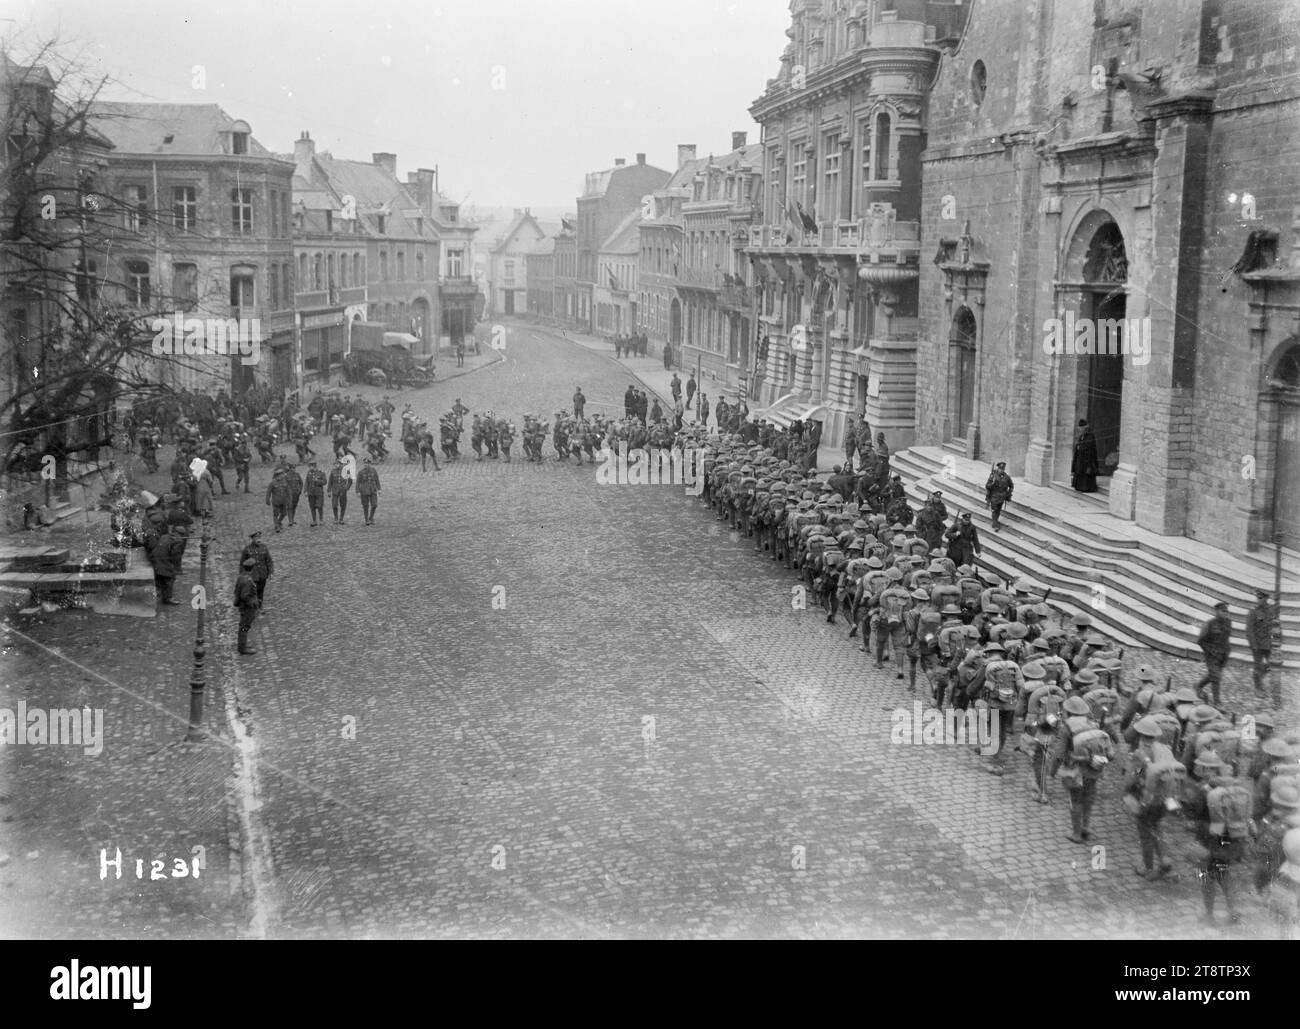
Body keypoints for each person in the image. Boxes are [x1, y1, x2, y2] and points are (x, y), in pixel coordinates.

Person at [1194, 600, 1232, 706]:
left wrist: (1227, 651)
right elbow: (1200, 641)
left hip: (1223, 655)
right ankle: (1217, 702)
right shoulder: (1209, 624)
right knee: (1216, 677)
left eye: (1226, 612)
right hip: (1212, 656)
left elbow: (1226, 637)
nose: (1224, 614)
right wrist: (1211, 651)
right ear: (1216, 612)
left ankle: (1198, 685)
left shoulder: (1228, 622)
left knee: (1214, 675)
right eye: (1222, 611)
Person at [1246, 587, 1276, 698]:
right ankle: (1258, 688)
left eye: (1261, 598)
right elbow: (1249, 631)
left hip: (1268, 644)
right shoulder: (1253, 611)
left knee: (1271, 664)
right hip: (1257, 645)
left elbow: (1274, 626)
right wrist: (1253, 645)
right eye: (1258, 598)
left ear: (1266, 599)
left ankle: (1257, 677)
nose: (1258, 600)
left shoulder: (1270, 611)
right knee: (1258, 666)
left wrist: (1276, 641)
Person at [148, 527, 183, 607]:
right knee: (170, 577)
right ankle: (167, 598)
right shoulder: (178, 540)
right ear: (181, 534)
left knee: (160, 576)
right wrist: (175, 566)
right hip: (163, 560)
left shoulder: (164, 536)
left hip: (154, 558)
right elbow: (176, 554)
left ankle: (159, 593)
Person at [239, 530, 274, 606]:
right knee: (253, 591)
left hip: (262, 574)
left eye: (259, 537)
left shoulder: (264, 547)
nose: (258, 539)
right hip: (252, 575)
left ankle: (259, 606)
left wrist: (271, 572)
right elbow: (242, 564)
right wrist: (243, 576)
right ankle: (253, 607)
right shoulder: (247, 549)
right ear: (252, 539)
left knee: (260, 591)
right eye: (256, 537)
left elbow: (269, 560)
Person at [234, 557, 260, 656]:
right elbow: (244, 596)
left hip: (243, 606)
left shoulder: (241, 577)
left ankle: (242, 644)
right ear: (252, 568)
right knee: (244, 627)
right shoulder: (248, 580)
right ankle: (242, 648)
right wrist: (252, 603)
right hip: (247, 608)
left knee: (244, 626)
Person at [1071, 418, 1099, 493]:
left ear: (1085, 428)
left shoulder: (1090, 436)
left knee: (1086, 473)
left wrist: (1081, 447)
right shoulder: (1081, 436)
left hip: (1087, 460)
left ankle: (1086, 487)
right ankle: (1079, 487)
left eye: (1082, 428)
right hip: (1080, 460)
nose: (1080, 430)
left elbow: (1090, 449)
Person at [985, 461, 1014, 530]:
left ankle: (996, 521)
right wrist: (992, 483)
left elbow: (1011, 486)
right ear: (998, 468)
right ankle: (995, 524)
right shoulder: (993, 476)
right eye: (1000, 469)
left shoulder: (1007, 477)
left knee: (998, 510)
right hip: (994, 496)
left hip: (1002, 497)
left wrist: (1008, 493)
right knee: (994, 510)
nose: (1001, 470)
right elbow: (987, 486)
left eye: (1003, 469)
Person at [266, 466, 291, 533]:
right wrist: (267, 500)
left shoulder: (285, 482)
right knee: (276, 514)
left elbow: (288, 491)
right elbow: (268, 492)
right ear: (278, 475)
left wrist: (290, 500)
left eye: (283, 474)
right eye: (282, 474)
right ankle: (276, 526)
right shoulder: (272, 483)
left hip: (283, 501)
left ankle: (279, 522)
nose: (283, 475)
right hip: (276, 502)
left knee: (284, 513)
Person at [357, 457, 381, 525]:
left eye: (367, 463)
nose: (365, 464)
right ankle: (366, 519)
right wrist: (358, 491)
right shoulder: (360, 472)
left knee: (374, 504)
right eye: (364, 463)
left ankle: (371, 517)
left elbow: (377, 480)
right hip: (364, 490)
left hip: (373, 489)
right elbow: (358, 482)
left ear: (370, 464)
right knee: (365, 505)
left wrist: (379, 489)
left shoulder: (374, 471)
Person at [328, 460, 353, 524]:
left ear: (340, 464)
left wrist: (347, 488)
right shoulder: (333, 471)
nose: (336, 465)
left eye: (337, 464)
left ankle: (341, 519)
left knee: (343, 505)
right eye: (335, 464)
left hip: (342, 491)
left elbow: (350, 480)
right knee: (334, 505)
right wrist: (329, 491)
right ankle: (336, 518)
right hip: (335, 490)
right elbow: (330, 481)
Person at [304, 459, 327, 527]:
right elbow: (306, 482)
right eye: (310, 466)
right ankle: (314, 521)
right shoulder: (309, 473)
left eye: (312, 466)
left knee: (319, 506)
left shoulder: (321, 472)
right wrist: (305, 491)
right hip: (311, 493)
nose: (310, 468)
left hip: (319, 492)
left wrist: (318, 481)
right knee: (312, 507)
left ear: (315, 466)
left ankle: (321, 519)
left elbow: (325, 482)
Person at [285, 462, 304, 527]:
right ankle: (290, 521)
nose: (294, 469)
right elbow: (284, 485)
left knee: (294, 506)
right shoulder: (286, 475)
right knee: (289, 507)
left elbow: (301, 483)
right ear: (290, 469)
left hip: (296, 493)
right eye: (292, 468)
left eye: (294, 468)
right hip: (289, 494)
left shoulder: (297, 475)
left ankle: (292, 519)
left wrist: (300, 490)